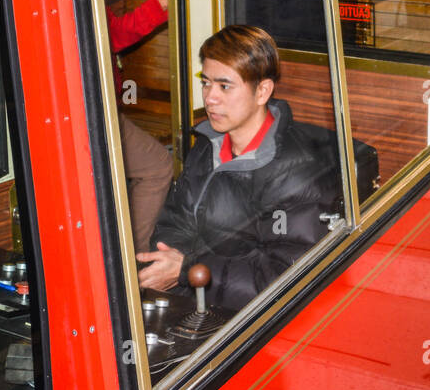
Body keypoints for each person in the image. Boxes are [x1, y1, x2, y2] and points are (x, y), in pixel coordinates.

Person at [136, 25, 341, 310]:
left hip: (249, 321)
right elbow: (176, 221)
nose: (209, 98)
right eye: (205, 82)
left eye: (224, 86)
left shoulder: (295, 173)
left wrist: (187, 269)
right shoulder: (209, 143)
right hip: (195, 297)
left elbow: (281, 280)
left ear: (262, 91)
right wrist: (167, 262)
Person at [107, 0, 173, 254]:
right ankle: (132, 259)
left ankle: (128, 257)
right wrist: (162, 1)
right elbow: (115, 34)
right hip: (94, 113)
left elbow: (114, 33)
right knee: (156, 167)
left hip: (105, 110)